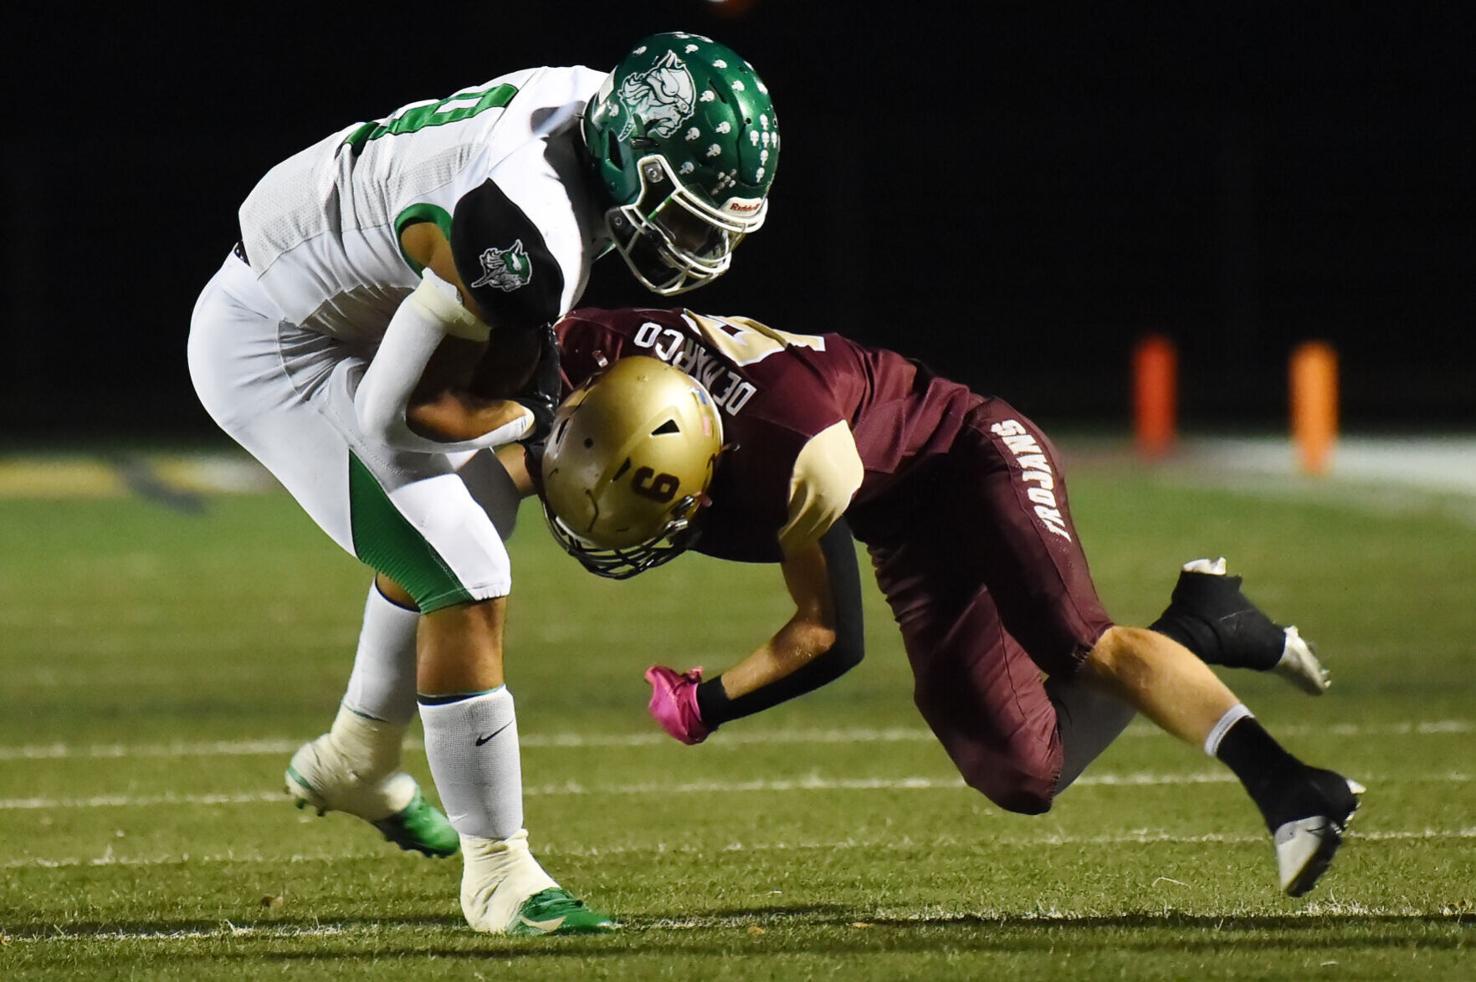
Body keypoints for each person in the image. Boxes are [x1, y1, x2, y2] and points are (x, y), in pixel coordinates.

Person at [186, 32, 780, 936]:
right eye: (686, 216)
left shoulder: (595, 107)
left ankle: (355, 756)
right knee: (463, 568)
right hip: (276, 338)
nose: (695, 245)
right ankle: (498, 875)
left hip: (344, 284)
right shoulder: (527, 224)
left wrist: (527, 391)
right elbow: (399, 414)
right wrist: (543, 418)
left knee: (480, 504)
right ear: (631, 159)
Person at [501, 306, 1357, 898]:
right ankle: (1199, 622)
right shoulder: (583, 350)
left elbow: (829, 631)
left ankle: (1293, 786)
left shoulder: (790, 459)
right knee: (1022, 774)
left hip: (968, 452)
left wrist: (709, 702)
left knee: (1076, 640)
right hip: (906, 525)